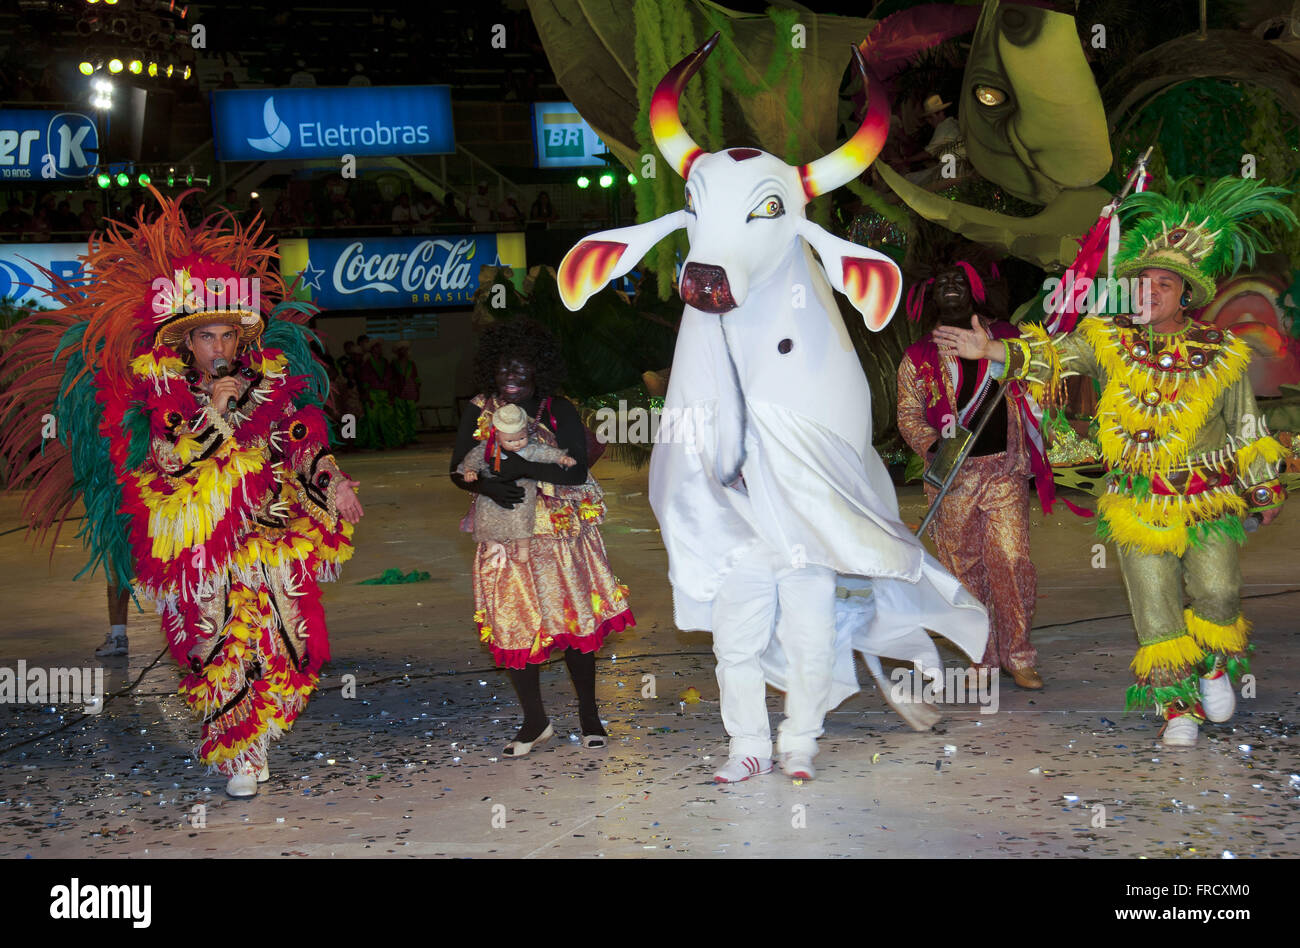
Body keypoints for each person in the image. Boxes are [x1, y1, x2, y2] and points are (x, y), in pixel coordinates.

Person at [0, 189, 364, 797]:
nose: (219, 348)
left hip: (269, 533)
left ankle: (261, 731)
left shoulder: (270, 382)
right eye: (206, 338)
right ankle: (238, 749)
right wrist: (214, 414)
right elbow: (171, 459)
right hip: (202, 544)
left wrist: (331, 478)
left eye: (226, 336)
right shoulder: (163, 394)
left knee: (284, 641)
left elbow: (301, 435)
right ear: (187, 344)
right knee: (216, 643)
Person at [936, 176, 1294, 747]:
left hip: (1207, 499)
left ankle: (1216, 665)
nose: (1149, 293)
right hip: (1136, 502)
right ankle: (1177, 707)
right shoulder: (1106, 339)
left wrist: (1263, 487)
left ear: (1185, 294)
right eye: (1142, 283)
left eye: (1164, 284)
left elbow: (1249, 427)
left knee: (1219, 592)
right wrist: (995, 351)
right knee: (1154, 607)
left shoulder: (1221, 354)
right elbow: (1050, 355)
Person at [450, 319, 633, 755]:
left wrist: (520, 469)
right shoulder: (479, 408)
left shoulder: (557, 408)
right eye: (503, 371)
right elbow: (458, 467)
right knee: (516, 626)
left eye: (521, 369)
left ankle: (590, 715)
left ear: (538, 370)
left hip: (562, 539)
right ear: (490, 373)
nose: (511, 379)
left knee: (574, 624)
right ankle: (535, 721)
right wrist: (486, 486)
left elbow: (576, 469)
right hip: (504, 537)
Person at [896, 251, 1062, 690]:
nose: (950, 285)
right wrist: (932, 444)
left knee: (1011, 559)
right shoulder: (917, 356)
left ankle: (1019, 655)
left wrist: (1002, 355)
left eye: (959, 279)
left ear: (975, 290)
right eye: (941, 281)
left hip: (1003, 470)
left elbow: (1043, 365)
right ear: (930, 297)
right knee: (962, 571)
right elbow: (909, 414)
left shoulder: (1007, 337)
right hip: (951, 480)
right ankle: (982, 658)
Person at [457, 403, 581, 565]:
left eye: (521, 438)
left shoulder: (530, 448)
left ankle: (523, 549)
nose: (516, 444)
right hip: (493, 492)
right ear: (497, 435)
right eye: (510, 440)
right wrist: (470, 470)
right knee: (483, 515)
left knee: (523, 519)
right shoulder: (488, 449)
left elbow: (545, 452)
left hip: (521, 493)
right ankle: (491, 544)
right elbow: (473, 458)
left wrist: (561, 458)